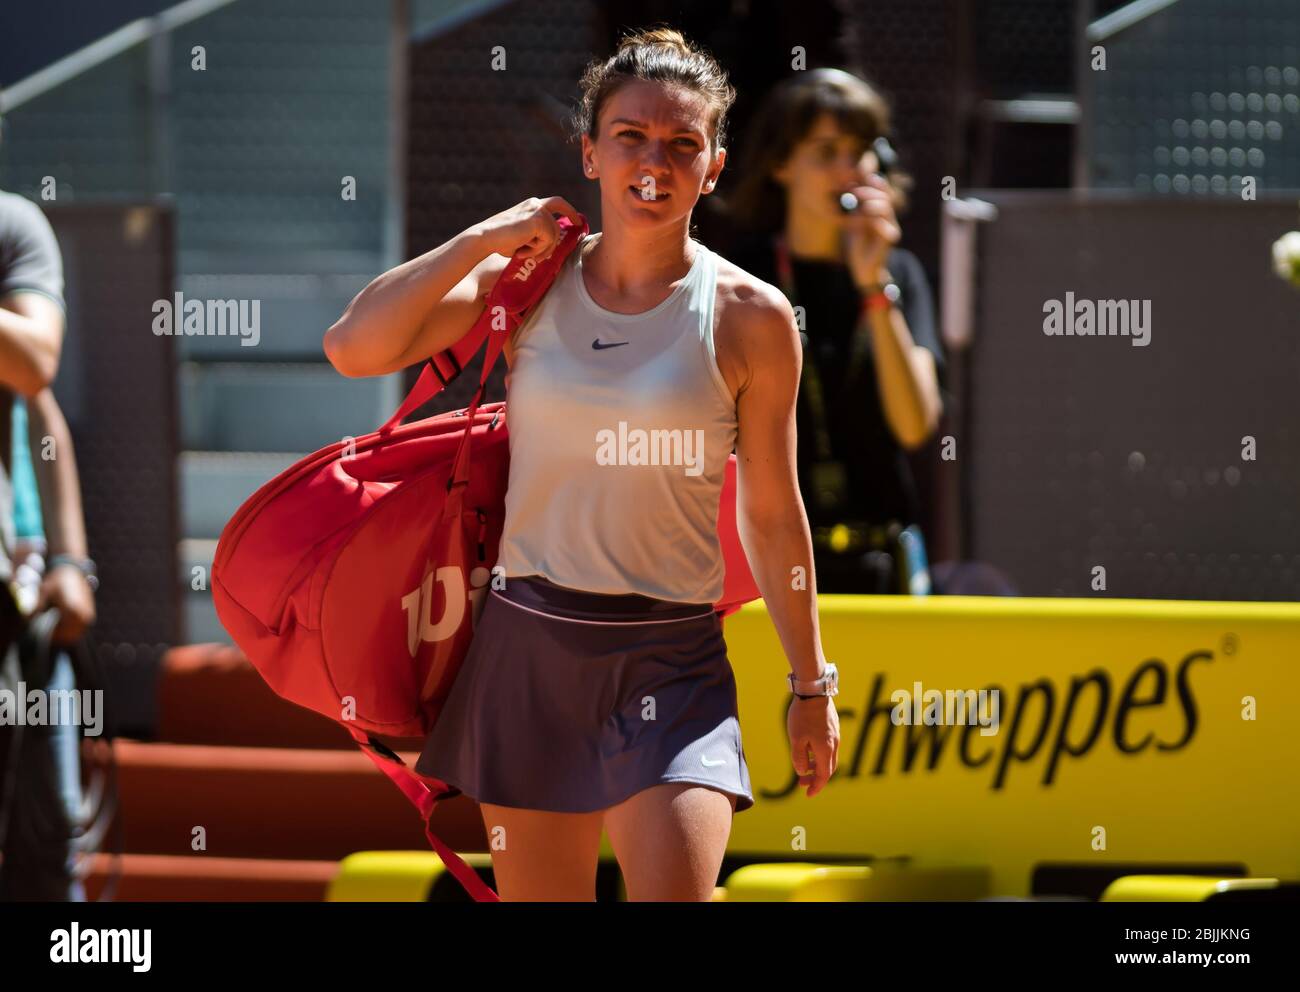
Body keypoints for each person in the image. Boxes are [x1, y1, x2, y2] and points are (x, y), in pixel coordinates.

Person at [324, 27, 841, 901]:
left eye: (683, 143)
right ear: (589, 150)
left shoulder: (754, 316)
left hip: (674, 658)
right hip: (529, 653)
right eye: (630, 136)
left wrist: (809, 683)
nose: (655, 161)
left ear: (713, 165)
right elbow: (353, 347)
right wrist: (479, 241)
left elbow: (772, 510)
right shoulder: (531, 282)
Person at [724, 68, 945, 594]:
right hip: (771, 562)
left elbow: (915, 425)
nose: (849, 170)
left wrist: (874, 286)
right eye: (826, 153)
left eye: (862, 151)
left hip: (881, 565)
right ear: (781, 164)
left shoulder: (899, 275)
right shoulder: (741, 279)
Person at [0, 171, 97, 899]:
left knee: (45, 838)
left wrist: (70, 559)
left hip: (14, 607)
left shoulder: (13, 225)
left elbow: (36, 373)